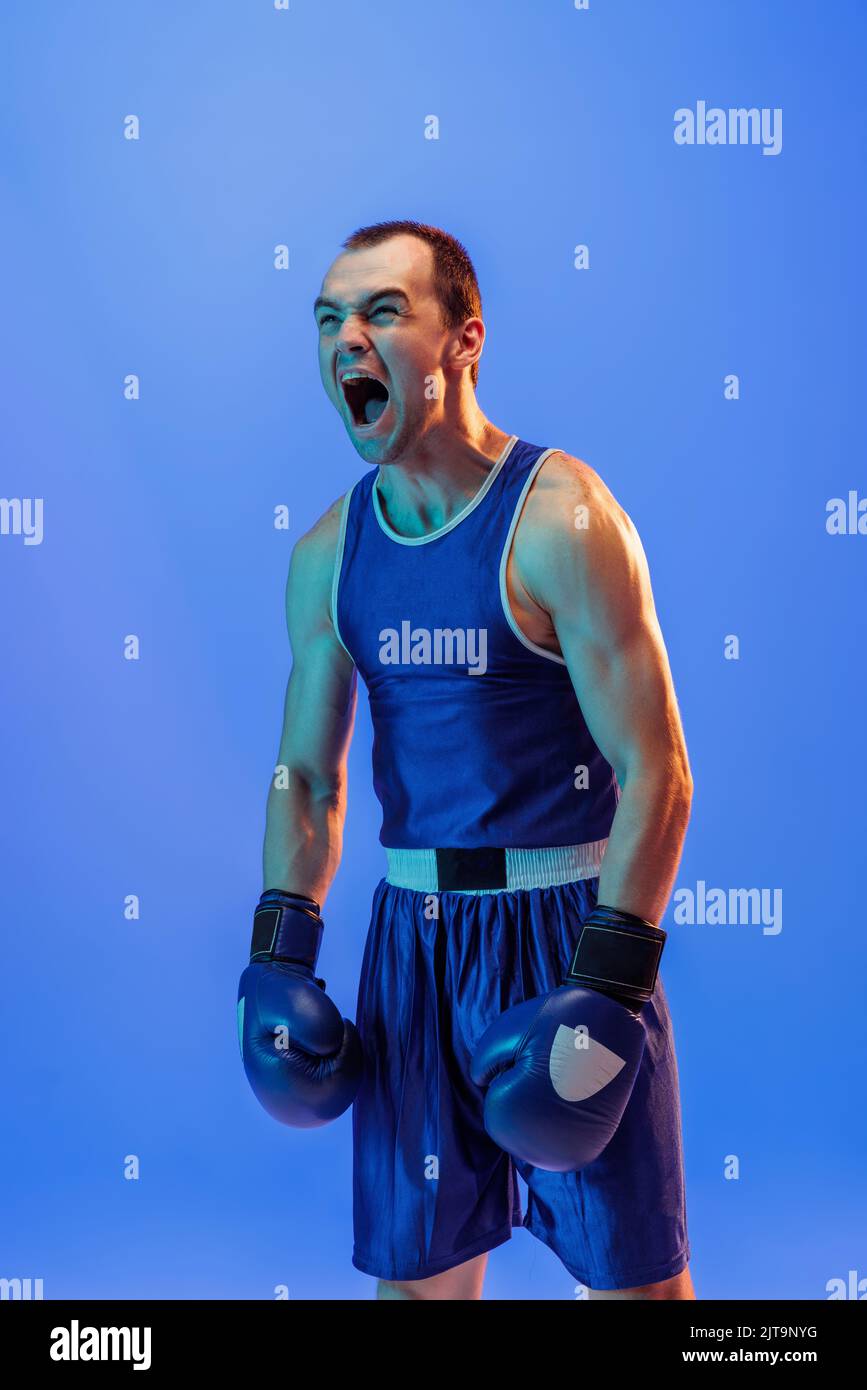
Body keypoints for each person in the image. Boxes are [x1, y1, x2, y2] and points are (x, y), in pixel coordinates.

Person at [239, 220, 695, 1301]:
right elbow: (306, 778)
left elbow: (659, 767)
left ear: (463, 341)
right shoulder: (326, 559)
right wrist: (278, 954)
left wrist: (609, 987)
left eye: (382, 311)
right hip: (413, 950)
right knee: (420, 1286)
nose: (348, 338)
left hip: (566, 932)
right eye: (328, 320)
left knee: (635, 1285)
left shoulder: (562, 519)